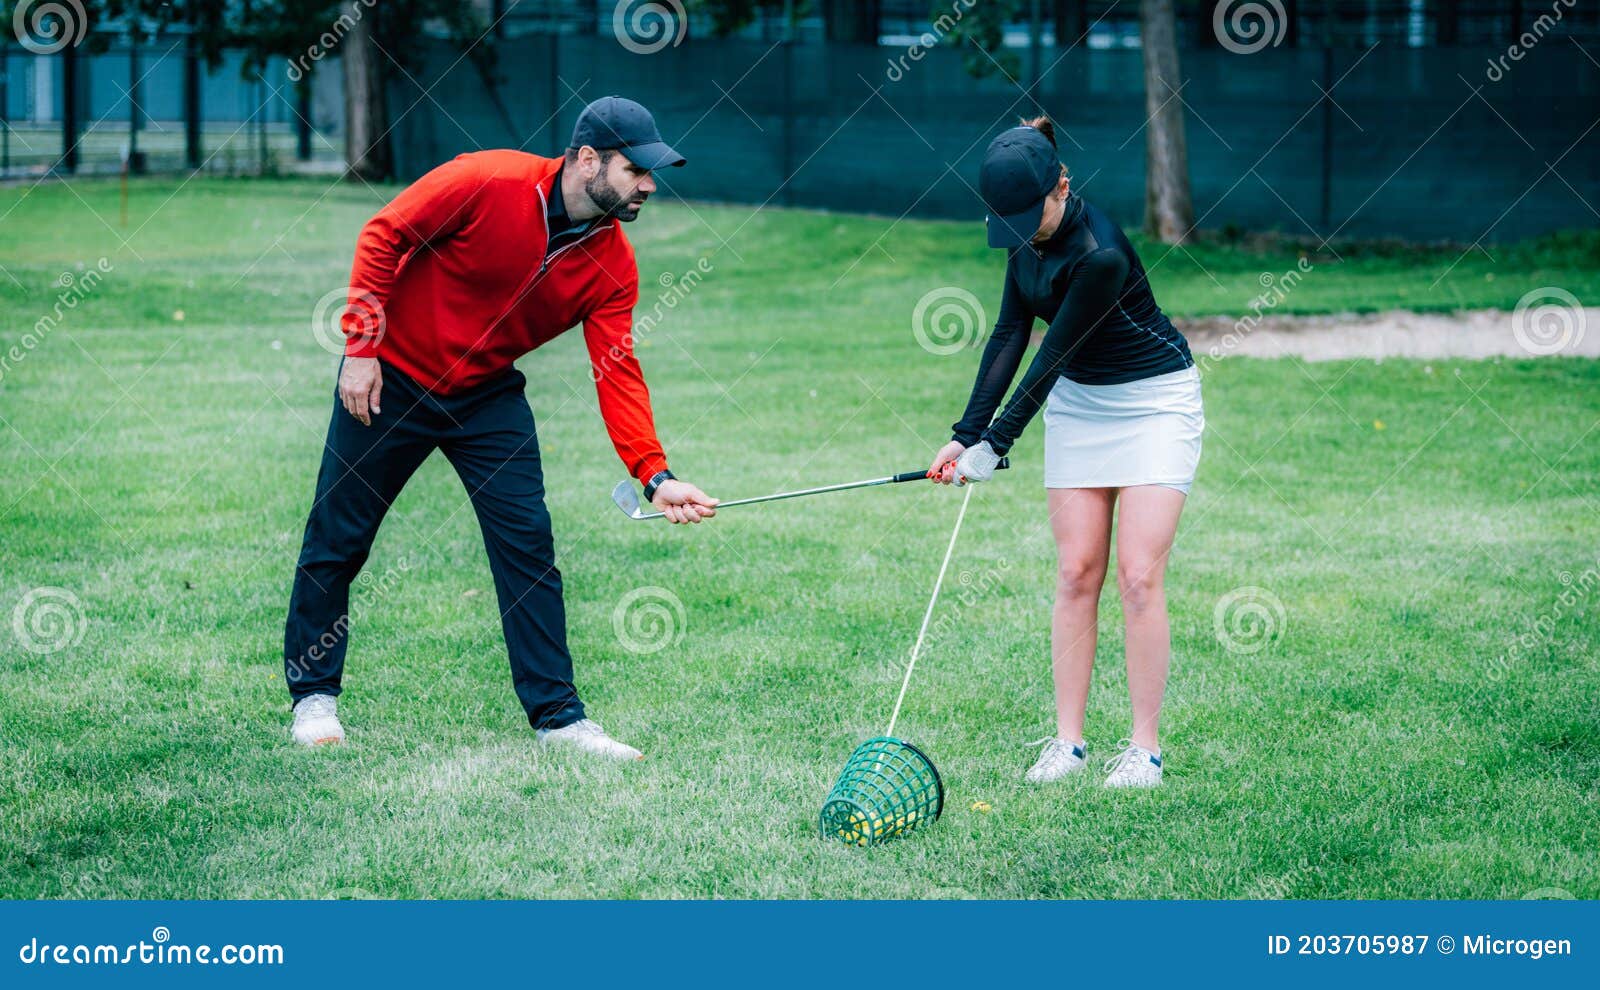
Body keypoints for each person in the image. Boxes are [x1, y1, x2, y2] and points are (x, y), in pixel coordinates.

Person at [283, 97, 719, 759]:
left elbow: (617, 370)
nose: (650, 186)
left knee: (528, 548)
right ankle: (314, 698)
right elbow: (383, 233)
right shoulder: (487, 180)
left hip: (486, 398)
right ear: (587, 159)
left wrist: (654, 475)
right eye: (636, 170)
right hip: (392, 377)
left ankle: (559, 719)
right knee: (338, 537)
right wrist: (362, 349)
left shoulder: (613, 264)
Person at [928, 116, 1203, 788]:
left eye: (1031, 215)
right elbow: (1010, 335)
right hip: (1082, 406)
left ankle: (1144, 750)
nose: (1021, 231)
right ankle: (1069, 743)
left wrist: (996, 444)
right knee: (1077, 572)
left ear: (1062, 187)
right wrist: (966, 433)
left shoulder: (1099, 250)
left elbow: (1052, 357)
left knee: (1138, 577)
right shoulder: (1026, 236)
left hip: (1154, 403)